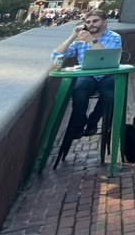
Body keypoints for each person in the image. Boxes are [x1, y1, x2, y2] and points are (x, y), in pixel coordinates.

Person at [52, 11, 123, 139]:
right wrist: (72, 36)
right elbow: (56, 55)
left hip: (107, 73)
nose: (91, 24)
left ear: (105, 22)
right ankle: (79, 123)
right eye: (88, 22)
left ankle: (93, 121)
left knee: (110, 93)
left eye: (95, 21)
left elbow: (107, 56)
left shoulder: (114, 37)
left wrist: (91, 40)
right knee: (78, 89)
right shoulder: (81, 40)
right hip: (87, 74)